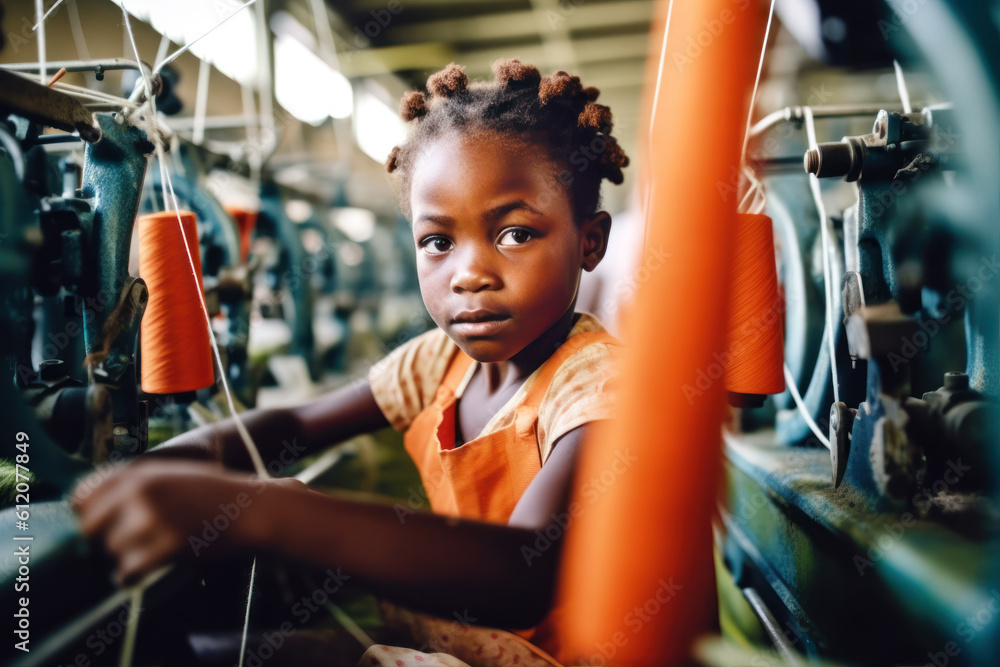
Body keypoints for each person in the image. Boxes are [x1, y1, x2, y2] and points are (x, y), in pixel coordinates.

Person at [72, 58, 630, 665]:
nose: (469, 275)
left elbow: (523, 575)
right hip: (446, 647)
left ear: (590, 241)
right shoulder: (438, 364)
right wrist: (148, 472)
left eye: (515, 234)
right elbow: (294, 426)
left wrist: (278, 513)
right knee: (204, 652)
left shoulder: (599, 387)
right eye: (438, 242)